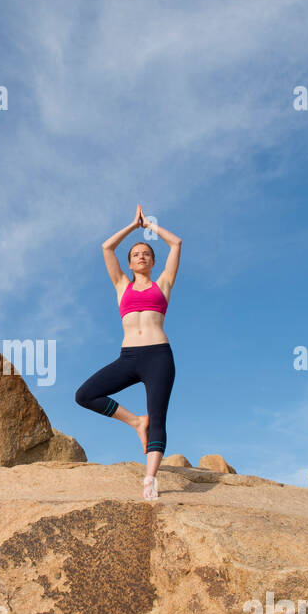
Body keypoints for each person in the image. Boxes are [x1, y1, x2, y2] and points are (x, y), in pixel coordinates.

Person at [75, 204, 181, 501]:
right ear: (130, 263)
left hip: (159, 356)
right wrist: (134, 227)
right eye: (135, 255)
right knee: (84, 395)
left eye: (146, 254)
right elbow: (107, 247)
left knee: (159, 416)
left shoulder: (164, 283)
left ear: (153, 261)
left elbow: (177, 243)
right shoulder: (122, 285)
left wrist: (151, 226)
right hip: (128, 358)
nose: (140, 257)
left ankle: (150, 478)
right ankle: (137, 422)